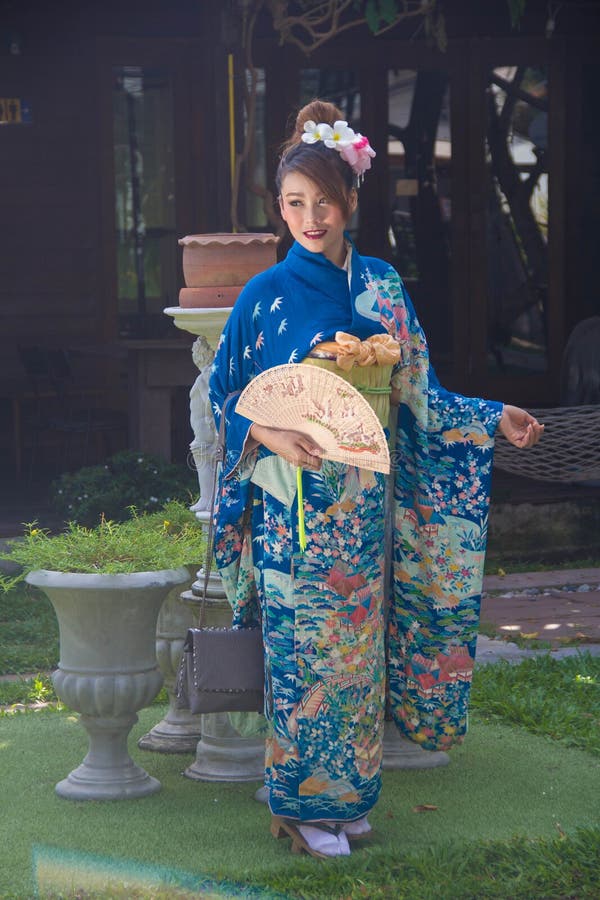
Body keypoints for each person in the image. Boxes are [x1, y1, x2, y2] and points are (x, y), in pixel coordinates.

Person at [208, 99, 543, 859]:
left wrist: (495, 417)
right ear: (280, 207)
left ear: (351, 199)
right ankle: (296, 808)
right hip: (294, 510)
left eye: (324, 201)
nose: (310, 217)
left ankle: (348, 798)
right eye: (295, 203)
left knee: (357, 660)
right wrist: (269, 430)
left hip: (367, 513)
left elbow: (421, 396)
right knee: (303, 657)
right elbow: (223, 393)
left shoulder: (384, 287)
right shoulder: (263, 297)